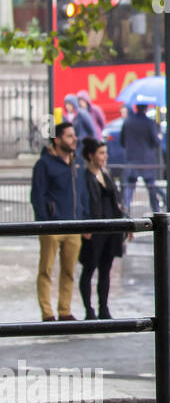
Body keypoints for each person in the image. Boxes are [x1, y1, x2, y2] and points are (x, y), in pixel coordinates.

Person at [30, 122, 89, 322]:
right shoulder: (44, 164)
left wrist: (85, 221)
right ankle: (47, 313)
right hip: (52, 225)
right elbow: (37, 195)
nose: (74, 139)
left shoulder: (77, 163)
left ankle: (65, 310)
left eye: (74, 135)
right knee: (46, 270)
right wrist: (44, 222)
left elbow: (83, 194)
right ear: (57, 140)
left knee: (69, 271)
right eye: (70, 136)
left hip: (74, 225)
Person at [78, 138, 128, 320]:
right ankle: (89, 310)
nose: (105, 156)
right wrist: (84, 225)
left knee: (105, 271)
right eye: (101, 153)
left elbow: (117, 202)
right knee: (89, 269)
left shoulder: (106, 174)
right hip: (93, 230)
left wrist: (126, 223)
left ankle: (104, 309)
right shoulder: (84, 178)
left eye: (105, 152)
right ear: (91, 156)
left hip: (110, 229)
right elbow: (82, 204)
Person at [119, 103, 164, 213]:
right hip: (146, 161)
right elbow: (156, 142)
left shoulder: (128, 121)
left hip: (132, 160)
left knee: (129, 187)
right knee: (151, 187)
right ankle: (156, 210)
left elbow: (122, 141)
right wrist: (159, 137)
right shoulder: (149, 123)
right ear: (146, 108)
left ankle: (126, 209)